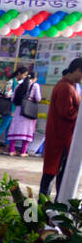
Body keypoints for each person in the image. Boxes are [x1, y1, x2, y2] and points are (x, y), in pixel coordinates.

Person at [40, 58, 82, 200]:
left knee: (56, 174)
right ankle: (46, 207)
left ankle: (50, 206)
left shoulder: (69, 86)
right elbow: (68, 113)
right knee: (53, 174)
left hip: (61, 137)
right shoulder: (65, 88)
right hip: (61, 138)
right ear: (77, 70)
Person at [0, 67, 30, 150]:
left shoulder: (20, 82)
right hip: (10, 107)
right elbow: (7, 94)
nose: (25, 77)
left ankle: (7, 143)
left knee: (10, 127)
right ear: (19, 73)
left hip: (15, 107)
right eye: (24, 75)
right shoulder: (11, 81)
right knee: (3, 125)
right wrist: (16, 95)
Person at [5, 70, 40, 157]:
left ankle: (12, 150)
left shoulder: (19, 85)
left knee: (14, 129)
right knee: (27, 131)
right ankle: (23, 151)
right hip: (28, 111)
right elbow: (38, 98)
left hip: (18, 110)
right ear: (35, 78)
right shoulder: (35, 86)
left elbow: (13, 99)